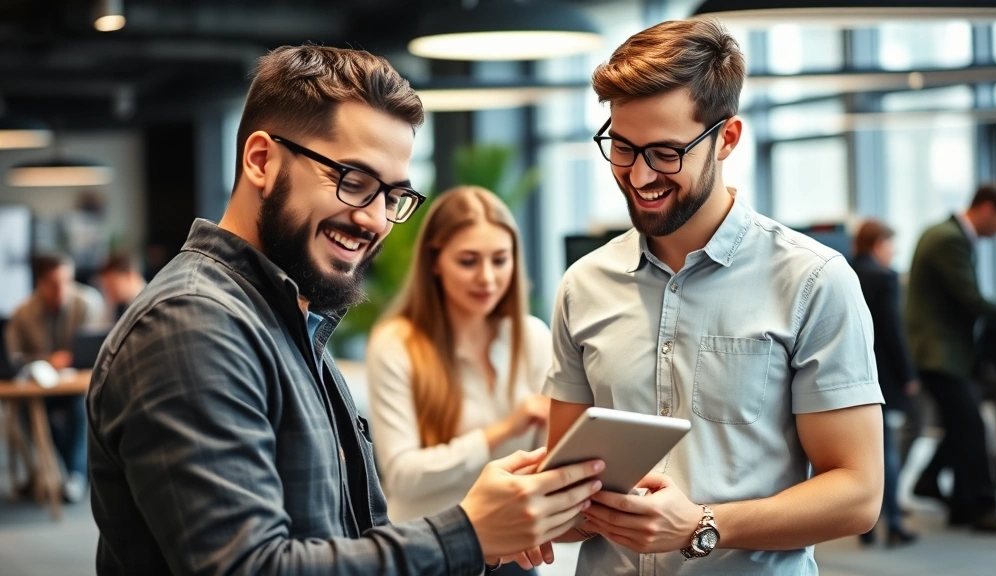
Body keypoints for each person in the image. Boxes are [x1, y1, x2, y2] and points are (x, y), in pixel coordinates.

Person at [87, 46, 603, 576]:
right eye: (353, 181)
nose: (376, 220)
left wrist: (487, 536)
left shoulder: (289, 319)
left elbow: (348, 538)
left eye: (393, 196)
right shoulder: (191, 324)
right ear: (261, 160)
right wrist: (466, 532)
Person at [543, 20, 885, 575]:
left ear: (726, 138)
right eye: (622, 147)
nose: (638, 174)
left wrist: (702, 524)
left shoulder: (812, 281)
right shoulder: (584, 285)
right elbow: (573, 485)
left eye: (665, 152)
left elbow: (858, 492)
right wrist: (540, 510)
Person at [367, 186, 552, 574]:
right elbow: (402, 478)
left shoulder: (532, 337)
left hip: (511, 550)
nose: (487, 278)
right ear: (435, 261)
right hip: (429, 551)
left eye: (500, 260)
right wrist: (502, 431)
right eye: (468, 261)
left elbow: (544, 464)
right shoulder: (397, 344)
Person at [905, 182, 996, 532]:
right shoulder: (949, 239)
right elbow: (971, 300)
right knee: (971, 427)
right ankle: (983, 509)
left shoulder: (948, 235)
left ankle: (953, 500)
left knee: (962, 426)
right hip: (939, 353)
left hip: (944, 353)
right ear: (987, 208)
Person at [5, 253, 105, 503]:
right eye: (55, 282)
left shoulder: (88, 303)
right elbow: (12, 357)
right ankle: (48, 473)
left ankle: (75, 474)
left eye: (67, 281)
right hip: (39, 387)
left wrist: (70, 359)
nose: (63, 289)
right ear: (40, 283)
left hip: (75, 387)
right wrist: (48, 360)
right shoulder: (23, 313)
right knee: (29, 413)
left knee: (79, 409)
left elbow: (100, 348)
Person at [850, 220, 919, 547]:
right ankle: (892, 521)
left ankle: (865, 526)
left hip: (847, 374)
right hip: (882, 377)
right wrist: (908, 376)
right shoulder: (884, 278)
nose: (893, 253)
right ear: (878, 244)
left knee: (857, 451)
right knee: (885, 449)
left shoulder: (844, 270)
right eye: (891, 245)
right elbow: (892, 332)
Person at [96, 252, 146, 323]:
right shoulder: (117, 307)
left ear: (130, 276)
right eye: (105, 287)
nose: (108, 292)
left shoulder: (149, 308)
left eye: (111, 286)